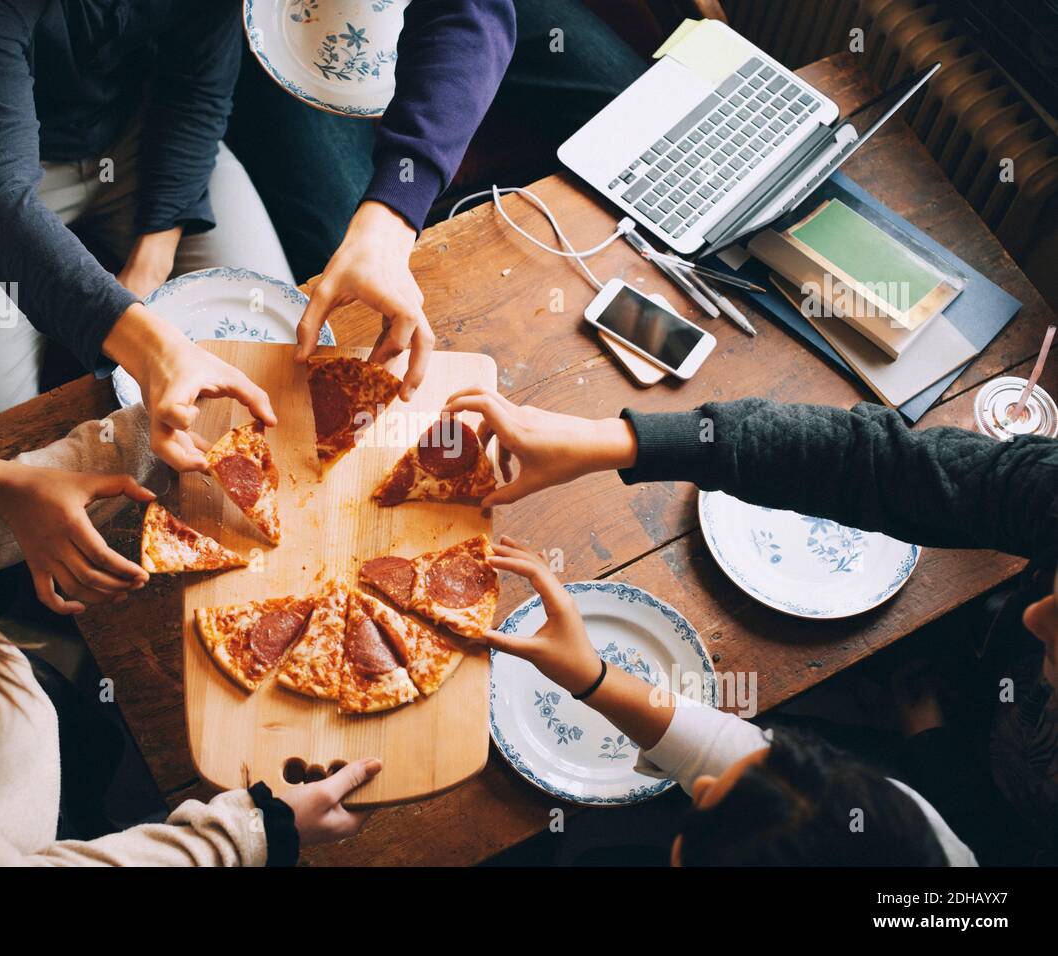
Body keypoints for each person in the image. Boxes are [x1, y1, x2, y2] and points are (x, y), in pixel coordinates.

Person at [0, 196, 378, 865]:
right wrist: (251, 834)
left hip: (5, 723)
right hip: (21, 832)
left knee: (93, 749)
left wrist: (140, 436)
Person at [450, 388, 1058, 862]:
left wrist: (932, 755)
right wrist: (619, 441)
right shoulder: (929, 850)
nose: (1034, 614)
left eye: (708, 808)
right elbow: (878, 462)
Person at [0, 0, 289, 463]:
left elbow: (196, 91)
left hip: (140, 139)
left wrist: (153, 257)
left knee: (281, 362)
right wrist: (147, 345)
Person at [231, 1, 647, 399]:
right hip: (263, 24)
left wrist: (391, 216)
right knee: (337, 279)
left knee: (645, 131)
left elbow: (469, 11)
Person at [486, 537, 975, 865]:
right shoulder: (913, 825)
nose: (699, 780)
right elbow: (724, 750)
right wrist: (591, 678)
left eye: (699, 805)